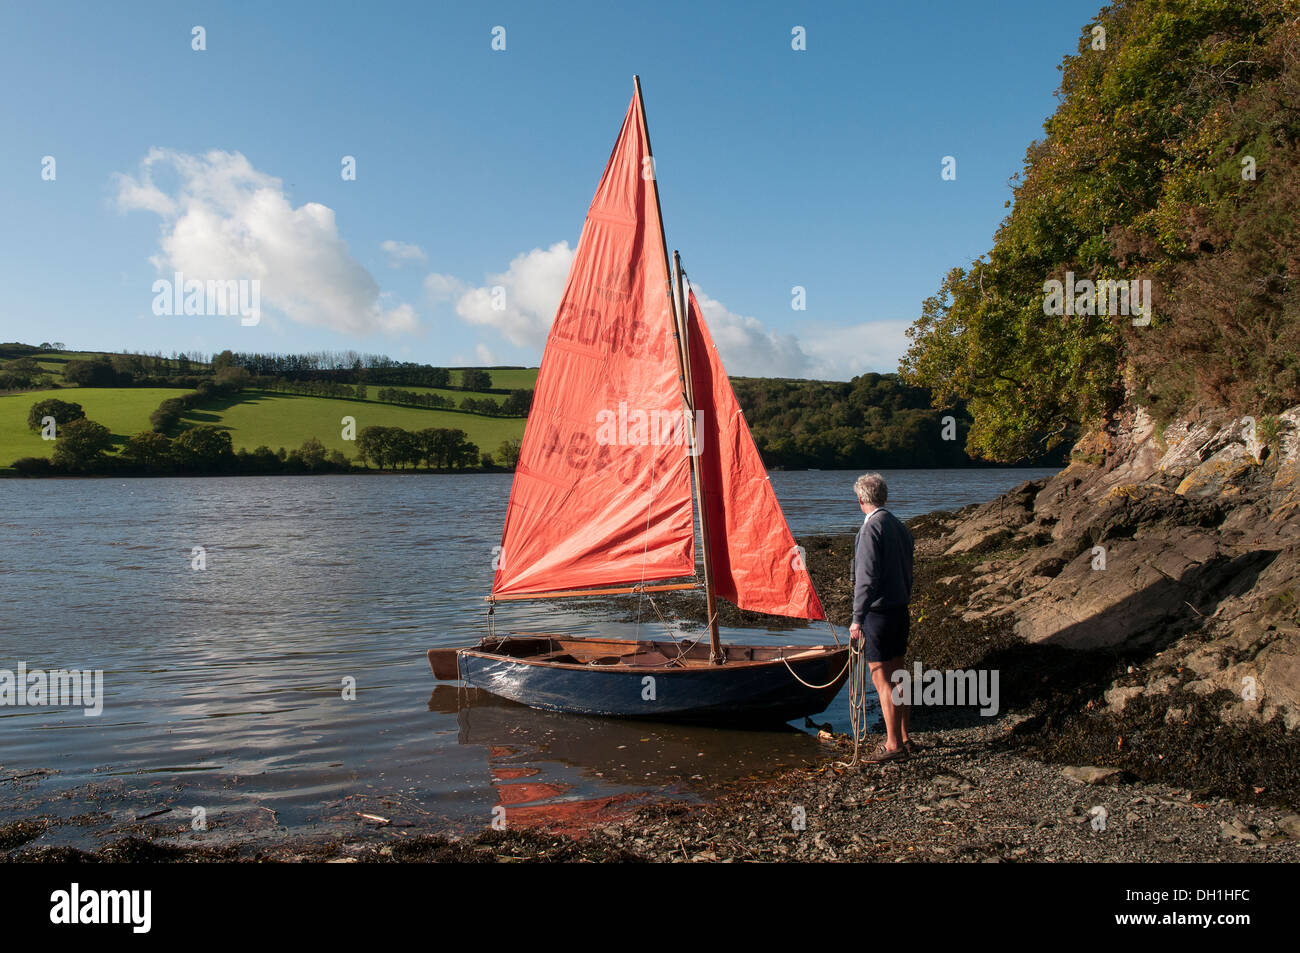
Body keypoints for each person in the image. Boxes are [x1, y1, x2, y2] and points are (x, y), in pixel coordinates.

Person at [848, 473, 915, 762]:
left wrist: (856, 618)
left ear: (861, 499)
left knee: (881, 678)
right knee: (899, 674)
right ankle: (904, 737)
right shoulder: (900, 527)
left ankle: (892, 745)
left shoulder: (870, 529)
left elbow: (865, 578)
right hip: (900, 609)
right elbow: (908, 570)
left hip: (878, 614)